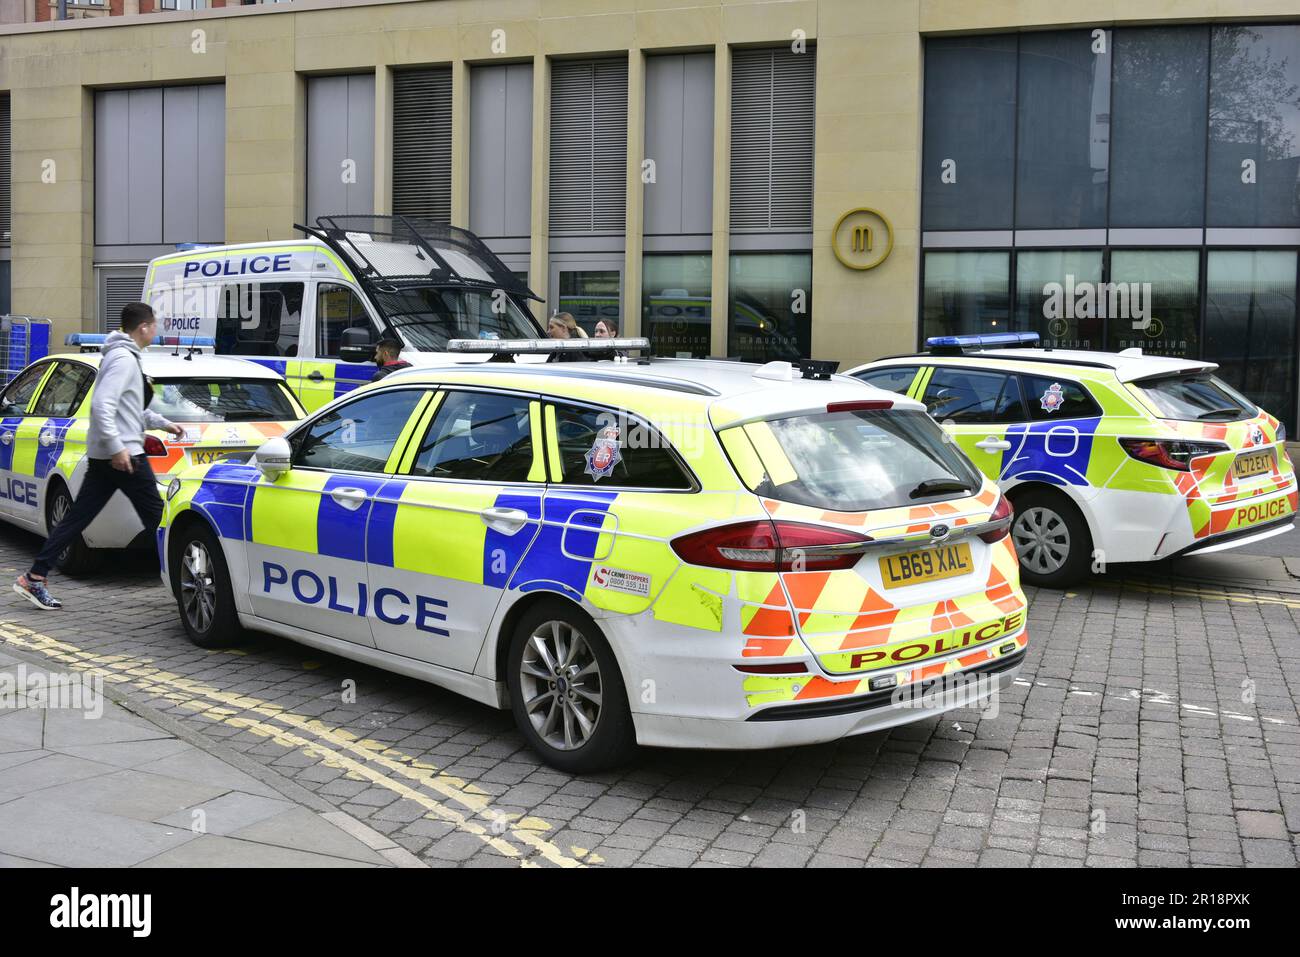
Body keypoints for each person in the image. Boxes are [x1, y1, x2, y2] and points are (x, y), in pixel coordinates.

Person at [13, 303, 183, 610]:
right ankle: (185, 585)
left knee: (78, 517)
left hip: (111, 455)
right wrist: (118, 448)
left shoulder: (125, 357)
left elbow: (129, 407)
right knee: (159, 517)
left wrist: (163, 423)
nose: (156, 330)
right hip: (124, 456)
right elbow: (102, 406)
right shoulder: (122, 359)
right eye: (154, 325)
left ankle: (34, 577)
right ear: (143, 327)